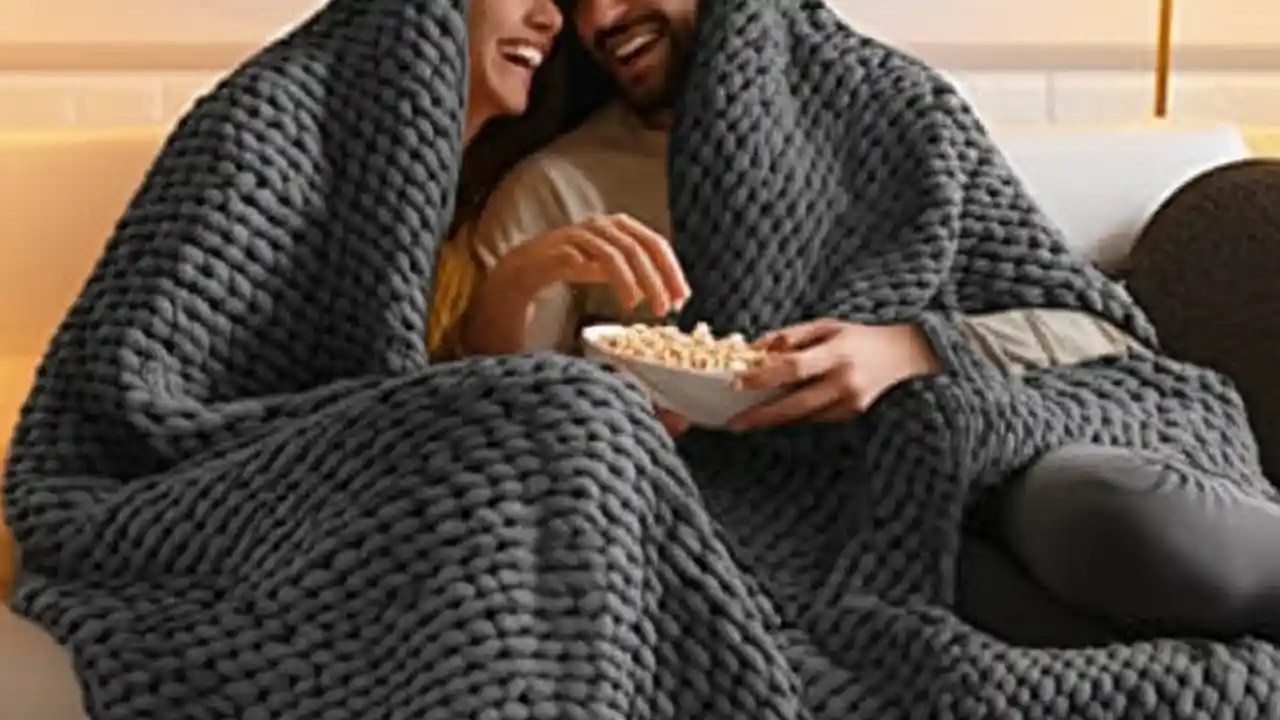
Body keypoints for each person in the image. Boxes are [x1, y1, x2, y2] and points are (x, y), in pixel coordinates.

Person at [454, 0, 1280, 646]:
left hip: (1002, 441)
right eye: (579, 0)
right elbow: (495, 418)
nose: (599, 20)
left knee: (1119, 520)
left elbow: (1105, 333)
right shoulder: (557, 189)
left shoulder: (897, 108)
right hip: (806, 525)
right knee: (1007, 627)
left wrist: (916, 348)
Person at [0, 1, 586, 717]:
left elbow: (444, 400)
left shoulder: (490, 189)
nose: (547, 16)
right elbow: (135, 400)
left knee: (585, 422)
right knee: (568, 407)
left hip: (393, 513)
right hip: (211, 500)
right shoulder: (272, 126)